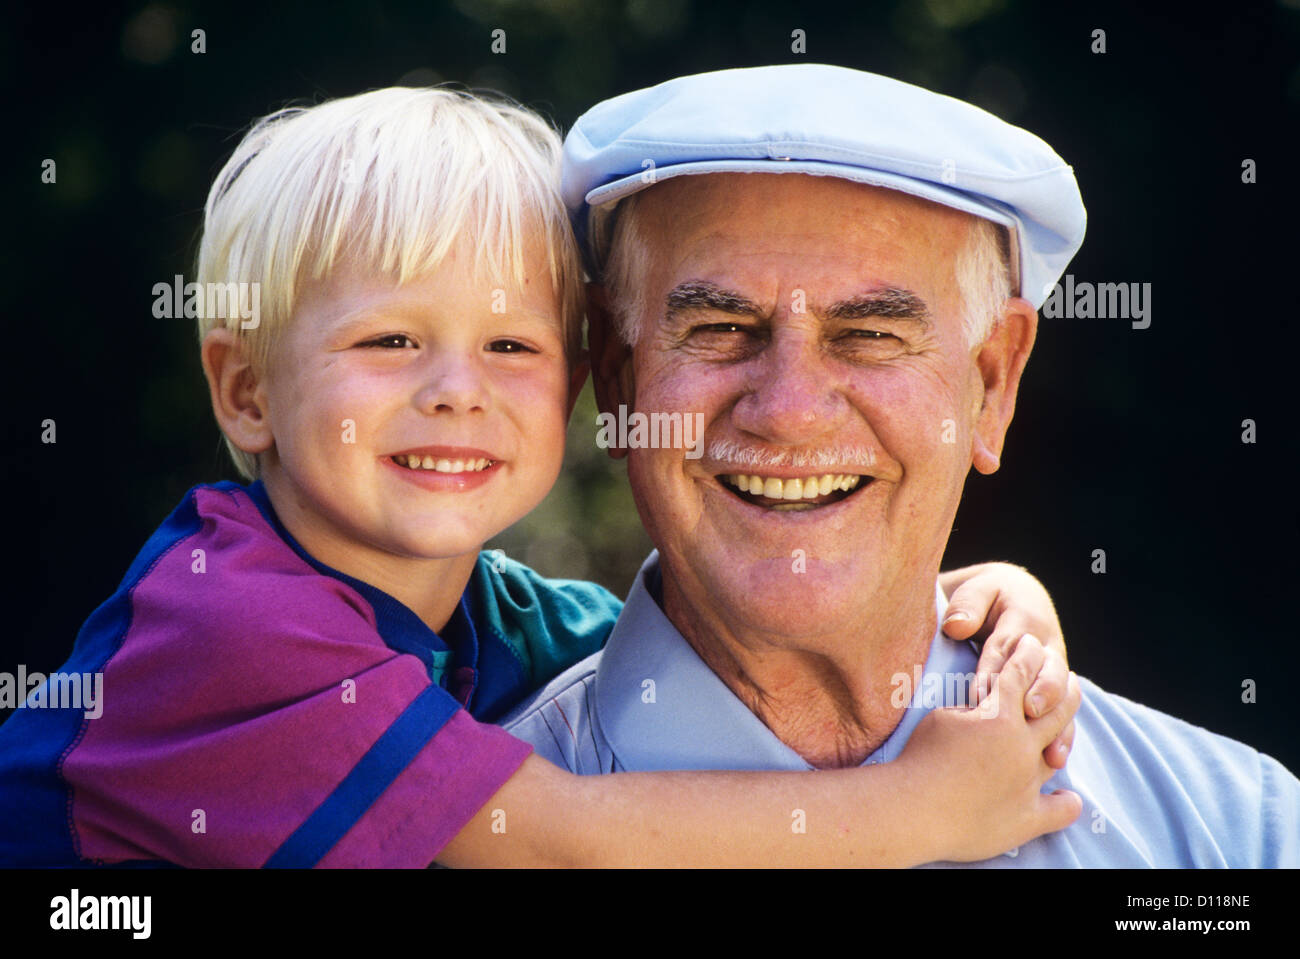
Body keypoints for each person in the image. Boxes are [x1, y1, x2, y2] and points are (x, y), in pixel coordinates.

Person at [0, 86, 1078, 869]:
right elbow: (562, 844)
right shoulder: (231, 623)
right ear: (244, 391)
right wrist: (922, 810)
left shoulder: (483, 610)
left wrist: (976, 607)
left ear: (579, 381)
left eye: (511, 347)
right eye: (388, 340)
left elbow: (712, 632)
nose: (456, 390)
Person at [503, 64, 1300, 866]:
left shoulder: (1233, 836)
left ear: (993, 385)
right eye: (721, 325)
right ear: (615, 374)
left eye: (870, 335)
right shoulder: (437, 841)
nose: (789, 410)